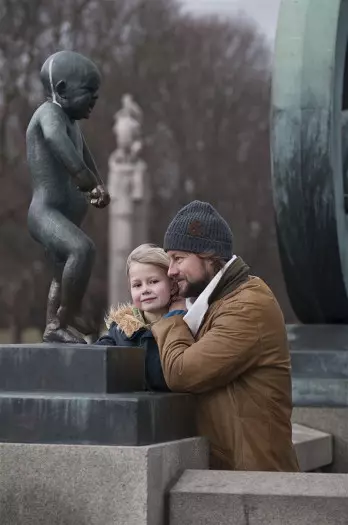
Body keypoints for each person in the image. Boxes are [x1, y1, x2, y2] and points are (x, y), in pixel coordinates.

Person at [151, 200, 300, 472]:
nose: (170, 271)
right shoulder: (221, 302)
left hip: (256, 486)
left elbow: (181, 371)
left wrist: (172, 317)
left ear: (209, 257)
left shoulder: (247, 308)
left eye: (178, 258)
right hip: (239, 480)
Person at [26, 50, 110, 344]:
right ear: (61, 90)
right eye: (89, 93)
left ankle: (55, 324)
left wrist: (100, 185)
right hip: (44, 214)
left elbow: (85, 155)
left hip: (63, 214)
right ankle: (67, 316)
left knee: (62, 274)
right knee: (82, 250)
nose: (94, 101)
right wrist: (86, 182)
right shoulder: (49, 114)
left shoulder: (72, 123)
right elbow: (55, 141)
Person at [96, 244, 181, 391]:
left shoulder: (186, 325)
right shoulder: (119, 331)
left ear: (172, 286)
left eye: (153, 281)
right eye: (137, 285)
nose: (145, 290)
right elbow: (94, 359)